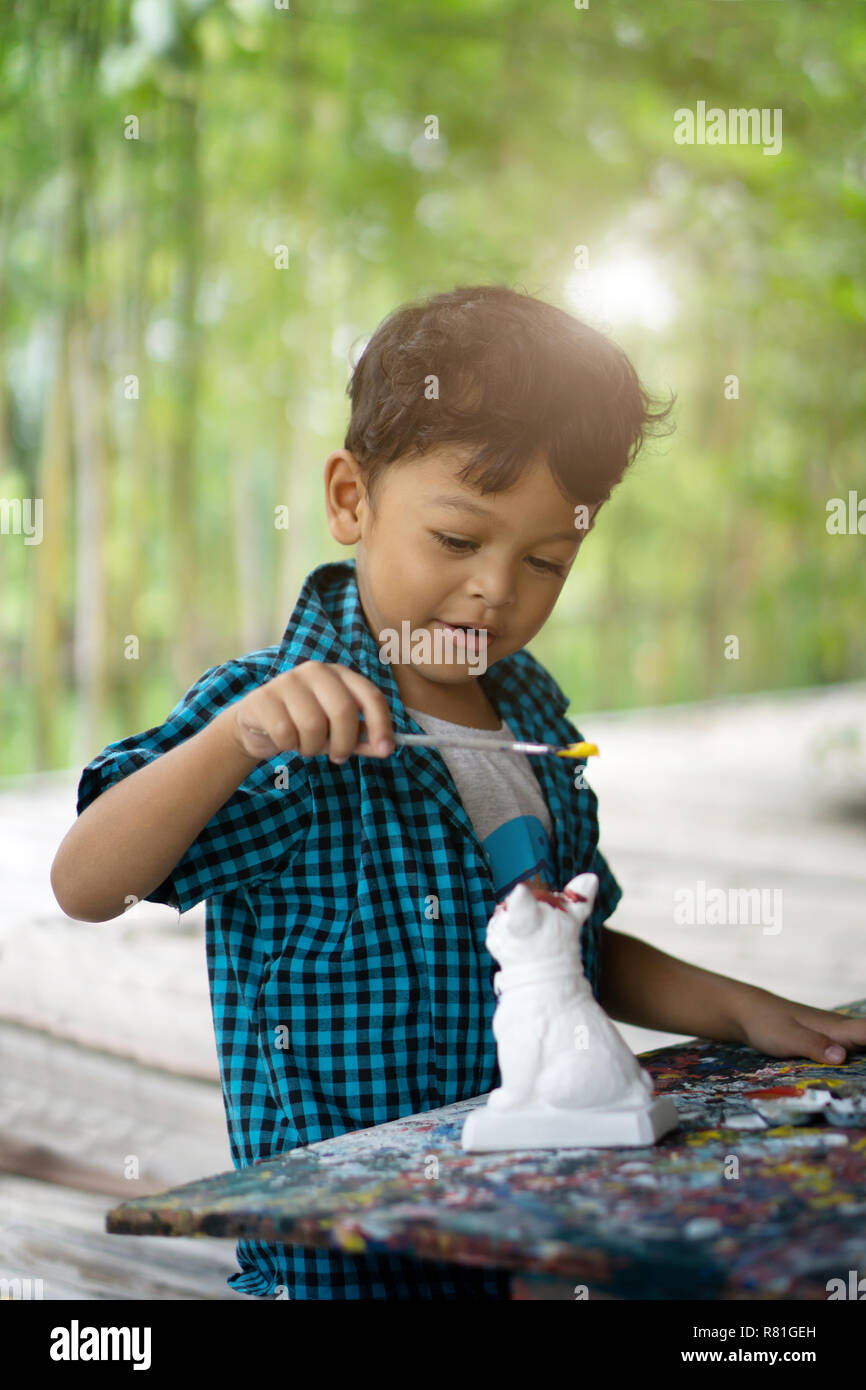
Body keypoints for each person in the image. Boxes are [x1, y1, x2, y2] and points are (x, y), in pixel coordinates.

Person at [51, 284, 866, 1299]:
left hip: (518, 1242)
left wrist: (745, 1012)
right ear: (352, 498)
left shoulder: (534, 717)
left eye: (544, 560)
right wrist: (234, 740)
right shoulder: (274, 723)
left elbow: (569, 954)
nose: (494, 589)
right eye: (456, 540)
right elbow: (86, 882)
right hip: (339, 1271)